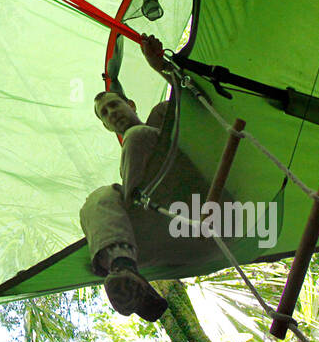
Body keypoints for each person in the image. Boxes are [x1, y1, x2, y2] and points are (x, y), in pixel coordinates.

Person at [79, 35, 218, 322]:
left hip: (204, 208)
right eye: (105, 114)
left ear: (131, 103)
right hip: (170, 234)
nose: (111, 113)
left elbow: (197, 99)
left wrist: (159, 66)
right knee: (96, 200)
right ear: (106, 127)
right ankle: (125, 269)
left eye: (114, 105)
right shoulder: (129, 159)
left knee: (138, 136)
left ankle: (133, 216)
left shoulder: (160, 116)